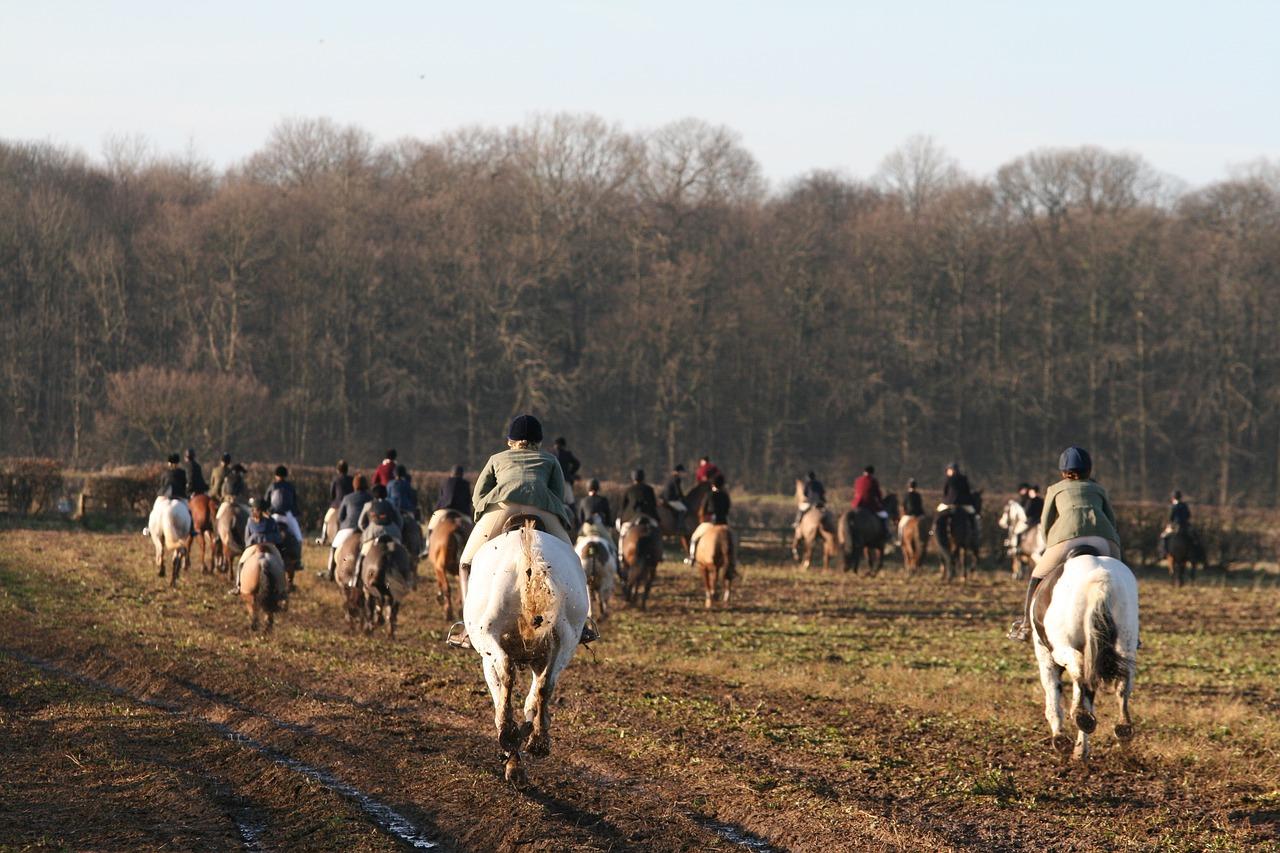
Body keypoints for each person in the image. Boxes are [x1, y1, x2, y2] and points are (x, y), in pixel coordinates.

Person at [452, 415, 592, 647]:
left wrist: (485, 512)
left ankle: (468, 627)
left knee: (466, 562)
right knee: (573, 561)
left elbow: (478, 496)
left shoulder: (497, 459)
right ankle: (581, 625)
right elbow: (557, 495)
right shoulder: (550, 460)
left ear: (510, 441)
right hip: (541, 507)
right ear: (539, 441)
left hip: (502, 507)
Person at [1007, 446, 1122, 642]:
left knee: (1037, 575)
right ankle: (1127, 630)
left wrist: (1051, 544)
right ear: (1089, 470)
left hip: (1067, 539)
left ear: (1063, 471)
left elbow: (1046, 522)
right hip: (1103, 537)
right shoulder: (1099, 490)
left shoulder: (1054, 489)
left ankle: (1026, 625)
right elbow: (1112, 520)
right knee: (1120, 577)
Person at [348, 484, 405, 588]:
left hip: (373, 534)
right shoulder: (391, 504)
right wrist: (396, 531)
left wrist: (367, 530)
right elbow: (400, 521)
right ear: (386, 494)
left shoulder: (368, 505)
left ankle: (356, 578)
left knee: (362, 554)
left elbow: (360, 523)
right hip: (392, 533)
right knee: (400, 554)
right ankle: (407, 578)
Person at [230, 498, 282, 594]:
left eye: (255, 509)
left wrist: (253, 540)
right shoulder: (271, 521)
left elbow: (247, 538)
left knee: (241, 563)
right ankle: (282, 587)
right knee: (280, 562)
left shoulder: (250, 521)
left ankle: (238, 586)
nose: (254, 511)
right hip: (270, 546)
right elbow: (278, 537)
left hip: (254, 546)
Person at [329, 474, 373, 580]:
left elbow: (340, 517)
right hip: (365, 530)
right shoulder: (371, 497)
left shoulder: (347, 498)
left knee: (334, 546)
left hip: (348, 529)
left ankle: (330, 571)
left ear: (354, 485)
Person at [687, 474, 731, 564]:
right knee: (733, 538)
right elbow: (727, 509)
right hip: (723, 521)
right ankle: (734, 559)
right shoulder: (725, 495)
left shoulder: (709, 495)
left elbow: (703, 510)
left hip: (711, 522)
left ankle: (691, 557)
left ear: (712, 484)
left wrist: (702, 519)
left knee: (694, 538)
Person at [428, 464, 473, 538]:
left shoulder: (445, 482)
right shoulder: (466, 484)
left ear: (451, 473)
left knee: (431, 527)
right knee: (471, 533)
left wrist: (435, 510)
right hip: (461, 512)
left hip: (444, 510)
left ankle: (427, 545)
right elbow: (468, 501)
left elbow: (441, 498)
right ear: (462, 474)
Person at [265, 465, 303, 546]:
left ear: (276, 476)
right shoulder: (290, 487)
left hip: (274, 515)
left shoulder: (272, 486)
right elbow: (294, 503)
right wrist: (297, 514)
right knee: (298, 537)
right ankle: (297, 557)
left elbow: (266, 502)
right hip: (287, 515)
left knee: (264, 536)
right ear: (286, 476)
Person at [852, 465, 892, 540]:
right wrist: (881, 503)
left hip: (857, 505)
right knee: (884, 515)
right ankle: (885, 532)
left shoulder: (857, 480)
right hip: (869, 505)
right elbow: (878, 495)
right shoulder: (873, 481)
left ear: (864, 472)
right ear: (872, 473)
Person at [618, 468, 659, 540]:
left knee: (623, 533)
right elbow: (653, 505)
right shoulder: (649, 489)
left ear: (633, 478)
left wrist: (620, 518)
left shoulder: (628, 490)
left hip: (631, 516)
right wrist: (658, 518)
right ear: (643, 478)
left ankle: (620, 550)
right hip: (647, 515)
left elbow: (623, 507)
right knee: (657, 530)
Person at [1159, 490, 1199, 557]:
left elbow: (1170, 517)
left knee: (1163, 536)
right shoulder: (1184, 505)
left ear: (1173, 497)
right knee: (1194, 537)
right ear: (1180, 497)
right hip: (1185, 525)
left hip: (1174, 526)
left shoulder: (1173, 506)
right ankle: (1196, 554)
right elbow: (1188, 515)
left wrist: (1170, 524)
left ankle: (1164, 553)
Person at [553, 437, 581, 507]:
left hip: (554, 482)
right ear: (563, 445)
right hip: (565, 481)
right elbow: (577, 464)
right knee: (570, 502)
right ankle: (574, 517)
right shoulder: (567, 454)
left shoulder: (552, 455)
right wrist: (571, 473)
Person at [897, 478, 925, 544]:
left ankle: (900, 540)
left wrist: (904, 513)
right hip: (919, 515)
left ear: (908, 486)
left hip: (908, 516)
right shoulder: (918, 495)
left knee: (900, 525)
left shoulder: (906, 495)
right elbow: (920, 505)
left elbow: (903, 506)